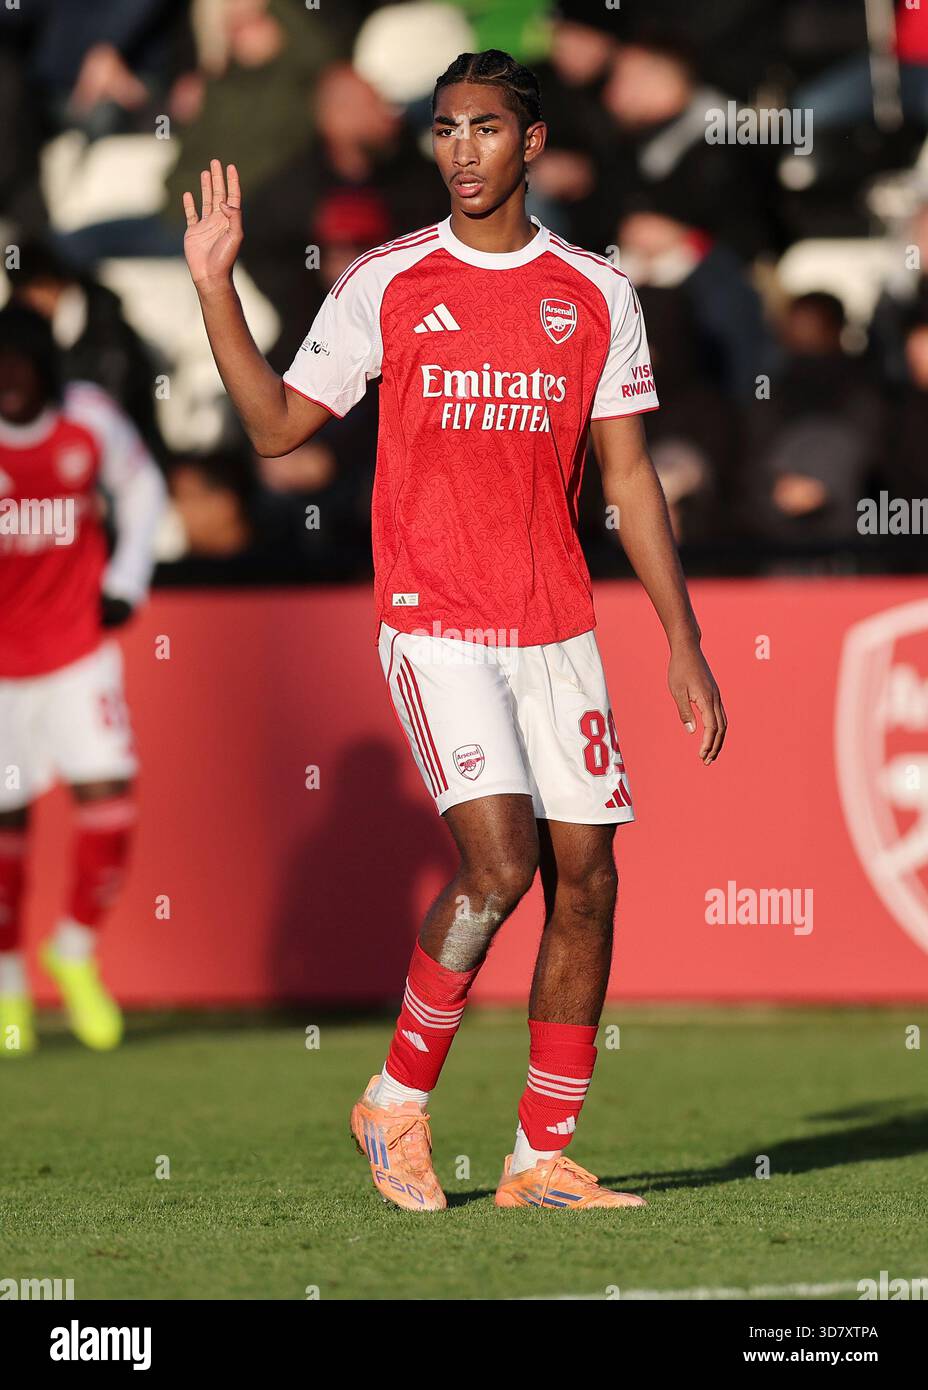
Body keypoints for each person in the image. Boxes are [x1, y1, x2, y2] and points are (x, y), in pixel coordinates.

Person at [182, 48, 727, 1212]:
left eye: (483, 129)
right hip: (438, 620)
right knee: (503, 862)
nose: (461, 151)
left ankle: (539, 1157)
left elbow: (627, 476)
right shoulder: (388, 280)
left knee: (588, 878)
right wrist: (216, 288)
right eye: (442, 130)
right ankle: (393, 1101)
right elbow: (278, 428)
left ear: (529, 143)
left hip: (557, 623)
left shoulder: (594, 293)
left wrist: (681, 636)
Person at [0, 305, 165, 1056]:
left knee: (109, 800)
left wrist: (126, 579)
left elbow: (143, 490)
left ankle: (72, 952)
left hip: (77, 654)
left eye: (22, 367)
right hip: (3, 671)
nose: (9, 382)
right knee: (9, 826)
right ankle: (8, 988)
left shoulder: (88, 420)